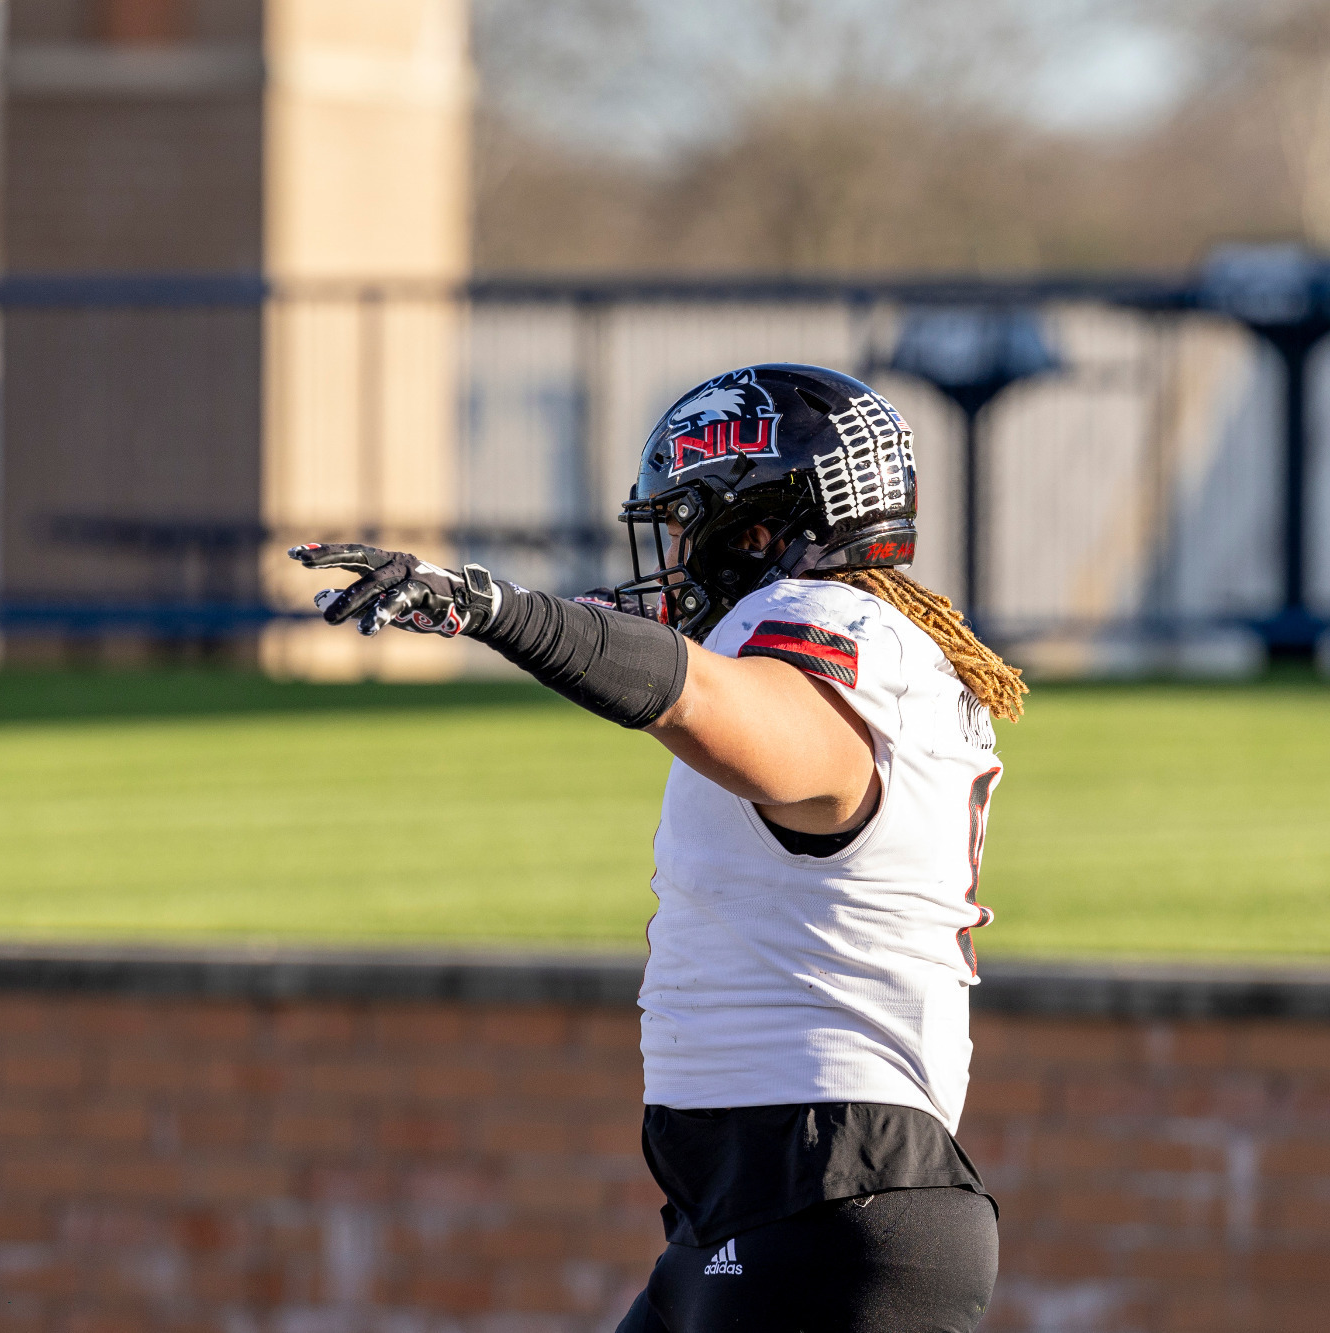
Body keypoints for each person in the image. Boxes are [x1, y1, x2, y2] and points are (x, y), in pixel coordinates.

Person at [292, 364, 1024, 1333]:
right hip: (771, 1201)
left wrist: (494, 607)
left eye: (685, 522)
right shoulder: (877, 638)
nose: (671, 554)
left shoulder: (819, 621)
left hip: (821, 1193)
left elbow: (741, 718)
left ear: (757, 530)